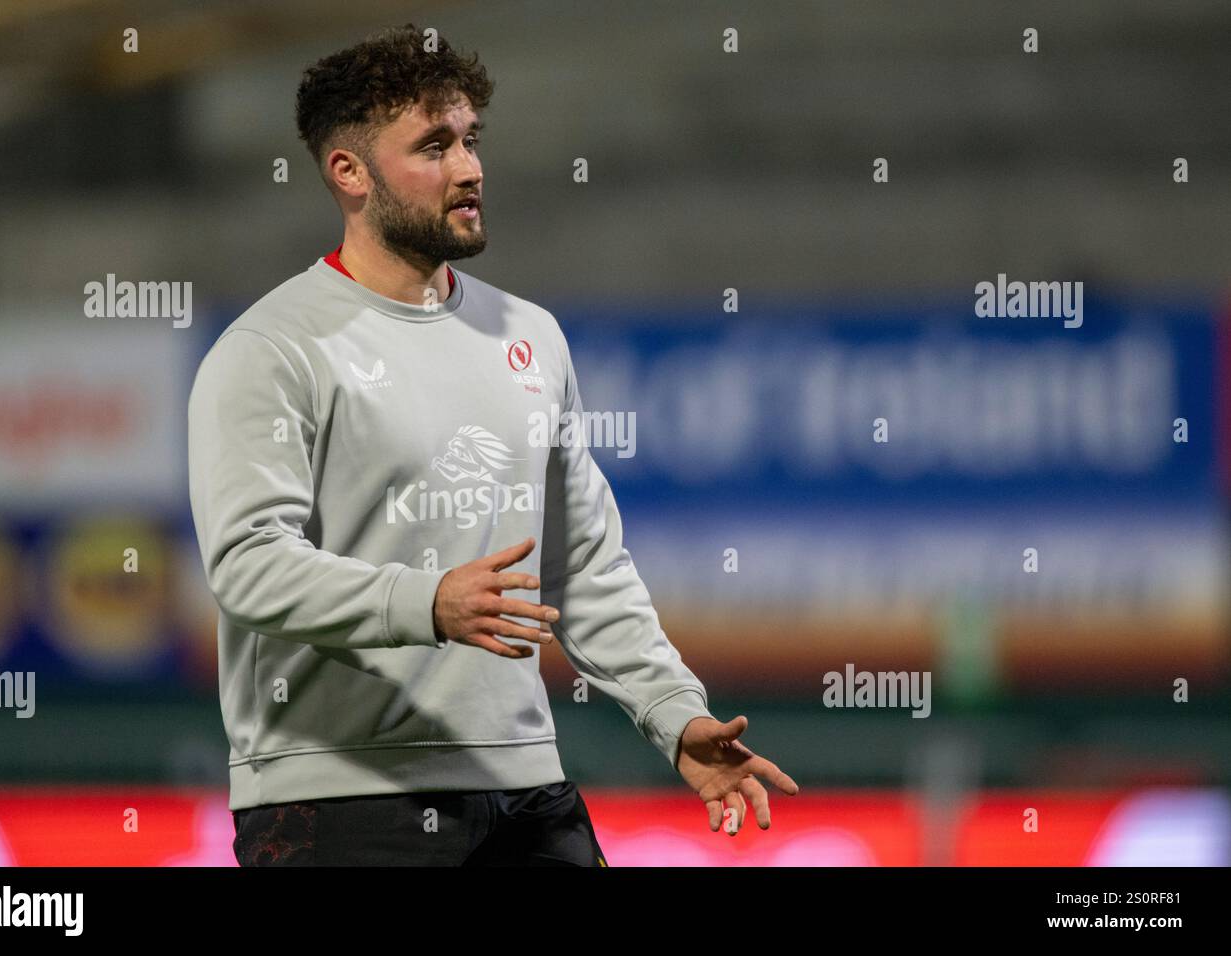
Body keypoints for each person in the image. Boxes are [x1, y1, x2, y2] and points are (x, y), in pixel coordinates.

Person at [187, 23, 798, 866]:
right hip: (339, 798)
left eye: (471, 140)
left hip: (526, 788)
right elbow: (248, 564)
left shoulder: (529, 334)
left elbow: (582, 563)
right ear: (349, 172)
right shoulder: (272, 350)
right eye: (433, 146)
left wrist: (674, 713)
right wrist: (426, 603)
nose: (470, 169)